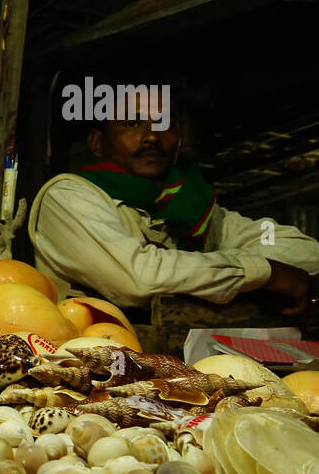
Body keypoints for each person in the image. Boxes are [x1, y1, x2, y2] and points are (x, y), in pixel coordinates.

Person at [29, 83, 319, 318]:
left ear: (179, 138)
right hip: (96, 367)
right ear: (97, 142)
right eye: (132, 123)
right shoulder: (70, 197)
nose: (152, 137)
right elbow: (138, 278)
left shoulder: (193, 205)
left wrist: (239, 267)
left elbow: (304, 251)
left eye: (163, 124)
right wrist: (261, 273)